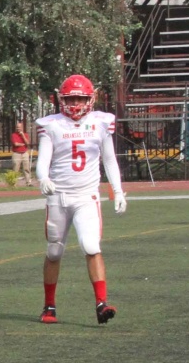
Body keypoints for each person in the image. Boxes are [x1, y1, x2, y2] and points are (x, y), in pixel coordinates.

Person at [36, 74, 127, 325]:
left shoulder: (100, 122)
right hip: (59, 196)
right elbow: (42, 161)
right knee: (54, 251)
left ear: (91, 98)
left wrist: (117, 191)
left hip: (87, 195)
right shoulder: (51, 124)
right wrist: (43, 178)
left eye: (80, 97)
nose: (75, 102)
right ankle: (49, 306)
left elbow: (109, 159)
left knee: (91, 246)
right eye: (71, 98)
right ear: (61, 99)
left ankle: (101, 303)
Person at [10, 120, 35, 185]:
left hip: (24, 153)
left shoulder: (26, 135)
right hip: (16, 153)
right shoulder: (14, 135)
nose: (18, 129)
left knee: (26, 168)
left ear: (22, 128)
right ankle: (14, 183)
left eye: (19, 127)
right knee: (15, 168)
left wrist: (23, 135)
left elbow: (27, 143)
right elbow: (15, 144)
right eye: (17, 127)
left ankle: (28, 182)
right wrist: (22, 144)